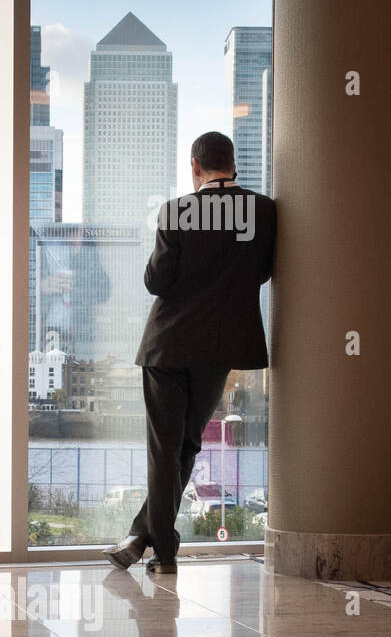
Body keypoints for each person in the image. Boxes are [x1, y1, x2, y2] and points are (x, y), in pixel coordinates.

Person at [103, 132, 276, 575]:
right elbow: (260, 272)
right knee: (188, 445)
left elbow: (157, 282)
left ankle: (158, 546)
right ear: (233, 166)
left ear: (195, 167)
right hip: (218, 348)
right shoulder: (262, 211)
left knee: (165, 450)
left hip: (168, 346)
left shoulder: (177, 210)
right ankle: (150, 539)